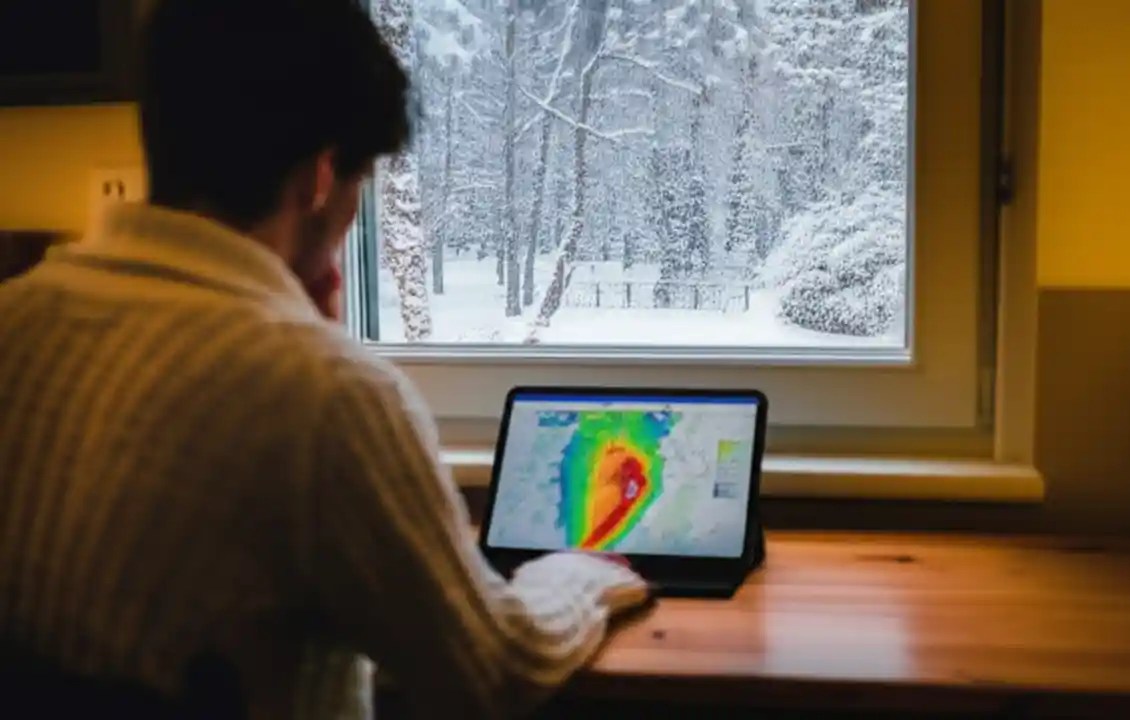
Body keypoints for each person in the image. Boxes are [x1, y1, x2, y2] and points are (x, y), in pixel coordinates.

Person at [0, 0, 650, 717]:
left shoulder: (17, 316)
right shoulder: (326, 393)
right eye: (360, 182)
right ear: (319, 175)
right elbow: (494, 669)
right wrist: (583, 574)